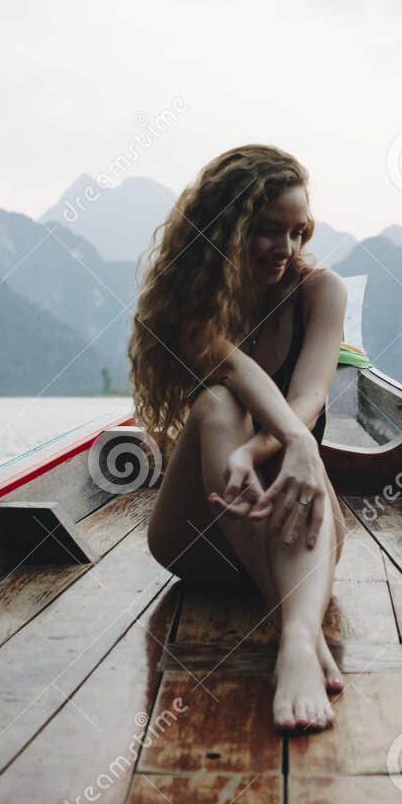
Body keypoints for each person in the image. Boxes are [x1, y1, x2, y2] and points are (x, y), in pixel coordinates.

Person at [130, 144, 348, 731]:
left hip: (296, 532)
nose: (287, 248)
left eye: (298, 232)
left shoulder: (321, 292)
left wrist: (271, 449)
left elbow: (308, 398)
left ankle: (296, 641)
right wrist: (295, 442)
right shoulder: (191, 304)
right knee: (217, 403)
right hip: (200, 534)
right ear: (226, 229)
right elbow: (237, 371)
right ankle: (299, 622)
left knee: (288, 440)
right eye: (268, 230)